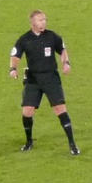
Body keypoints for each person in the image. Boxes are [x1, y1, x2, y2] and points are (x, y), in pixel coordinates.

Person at [9, 9, 78, 154]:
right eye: (40, 20)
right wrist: (13, 69)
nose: (44, 22)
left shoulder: (52, 36)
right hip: (33, 79)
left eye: (45, 19)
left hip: (50, 78)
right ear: (33, 23)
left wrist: (66, 63)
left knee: (60, 109)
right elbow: (16, 55)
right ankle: (28, 142)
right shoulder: (24, 39)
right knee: (27, 111)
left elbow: (62, 50)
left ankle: (72, 144)